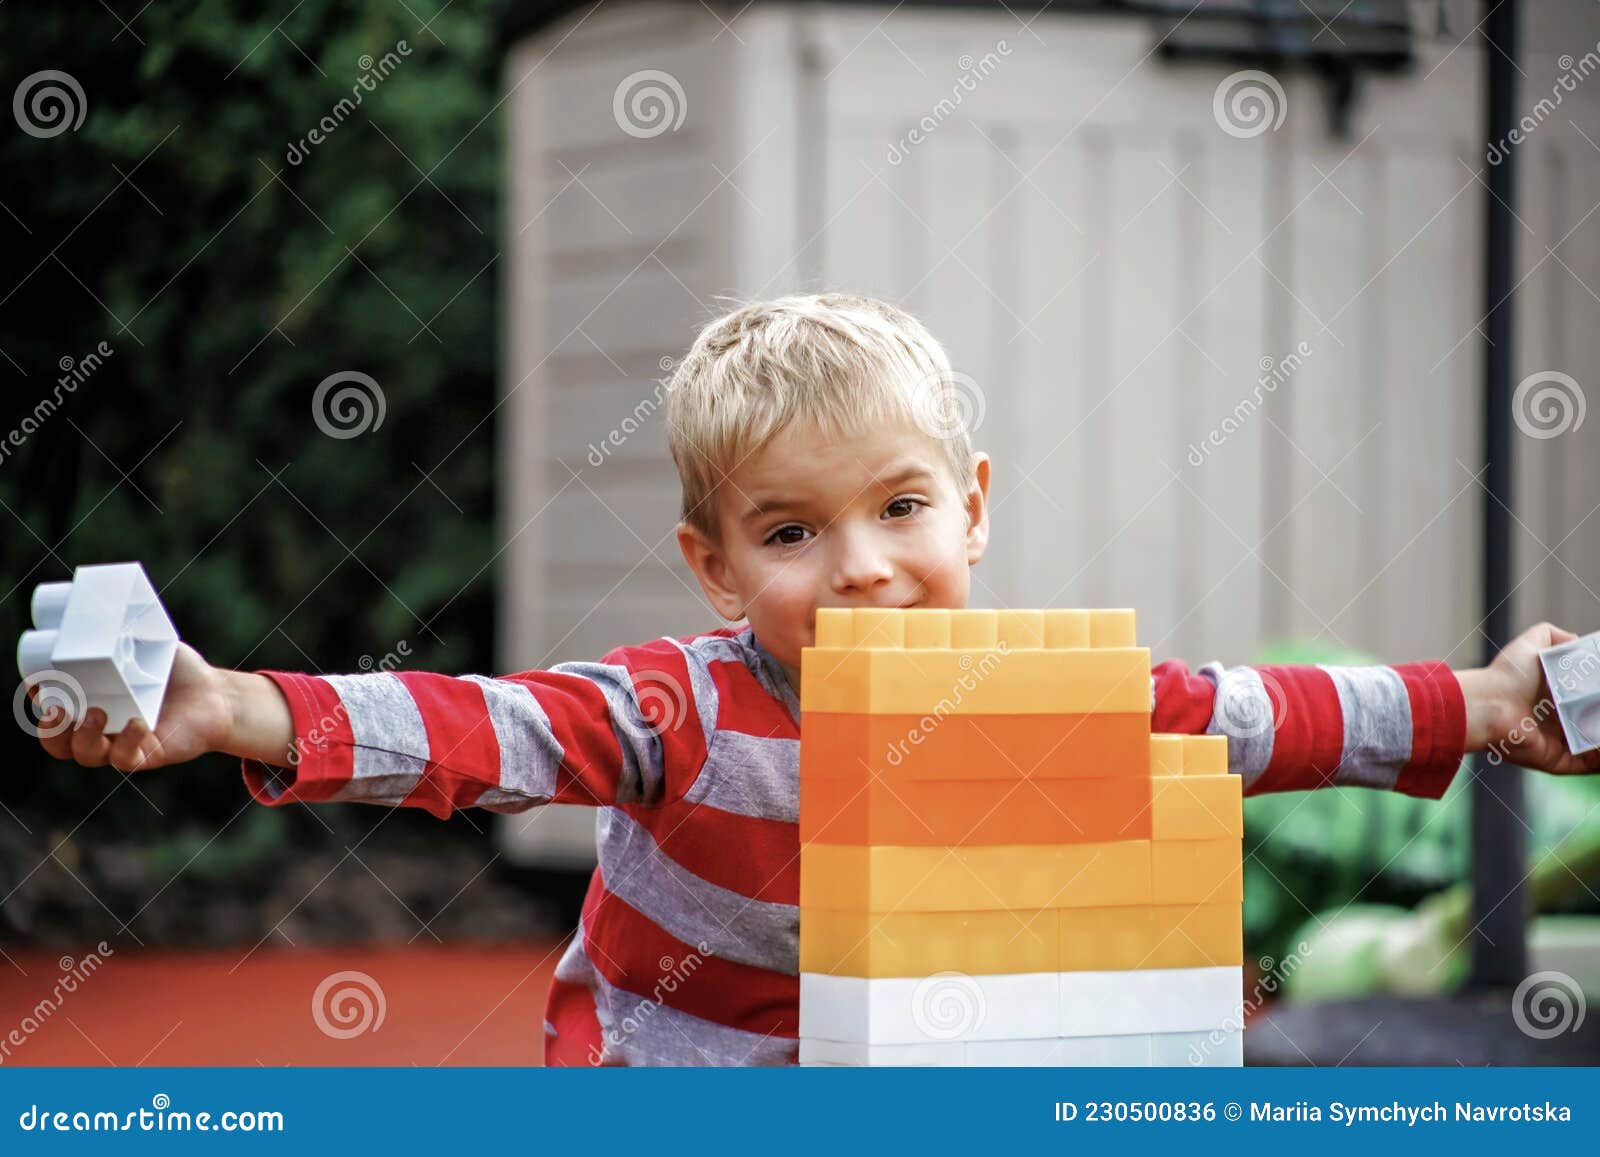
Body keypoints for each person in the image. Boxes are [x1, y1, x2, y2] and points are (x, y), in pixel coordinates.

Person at [33, 293, 1600, 1066]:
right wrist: (234, 703)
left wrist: (1480, 701)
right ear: (717, 567)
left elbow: (1250, 717)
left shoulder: (1028, 691)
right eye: (792, 529)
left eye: (902, 508)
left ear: (972, 508)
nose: (859, 563)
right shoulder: (682, 705)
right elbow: (490, 731)